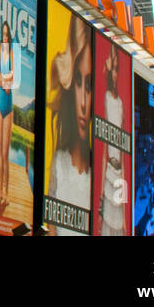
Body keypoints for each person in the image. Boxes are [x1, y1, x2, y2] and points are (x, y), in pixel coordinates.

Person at [47, 14, 92, 233]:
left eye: (90, 86)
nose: (83, 102)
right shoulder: (56, 164)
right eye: (78, 82)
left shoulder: (102, 174)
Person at [98, 43, 127, 236]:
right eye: (112, 67)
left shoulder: (121, 103)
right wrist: (100, 192)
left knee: (118, 226)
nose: (115, 73)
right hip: (108, 171)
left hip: (118, 175)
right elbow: (102, 149)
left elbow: (123, 150)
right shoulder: (105, 97)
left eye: (117, 68)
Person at [0, 22, 16, 209]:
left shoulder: (12, 52)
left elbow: (13, 74)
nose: (6, 38)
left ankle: (7, 193)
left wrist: (6, 80)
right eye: (5, 35)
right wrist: (4, 80)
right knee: (0, 152)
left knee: (6, 154)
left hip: (8, 103)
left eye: (8, 35)